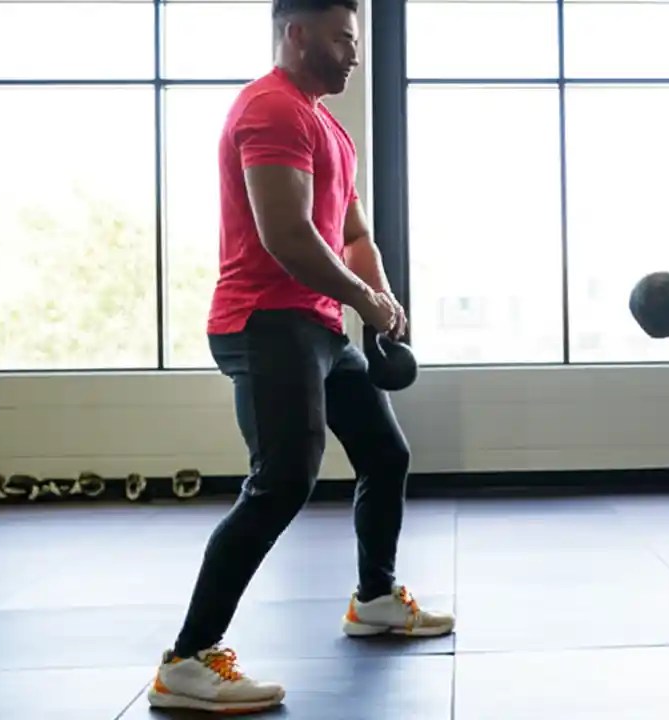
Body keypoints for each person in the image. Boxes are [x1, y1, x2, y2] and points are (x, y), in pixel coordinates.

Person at [146, 0, 454, 713]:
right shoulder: (271, 110)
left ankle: (375, 597)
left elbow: (352, 232)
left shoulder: (328, 127)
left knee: (384, 453)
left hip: (314, 324)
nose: (353, 54)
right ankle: (188, 659)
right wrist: (364, 301)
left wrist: (379, 295)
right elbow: (287, 236)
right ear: (298, 33)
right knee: (283, 480)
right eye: (344, 39)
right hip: (264, 321)